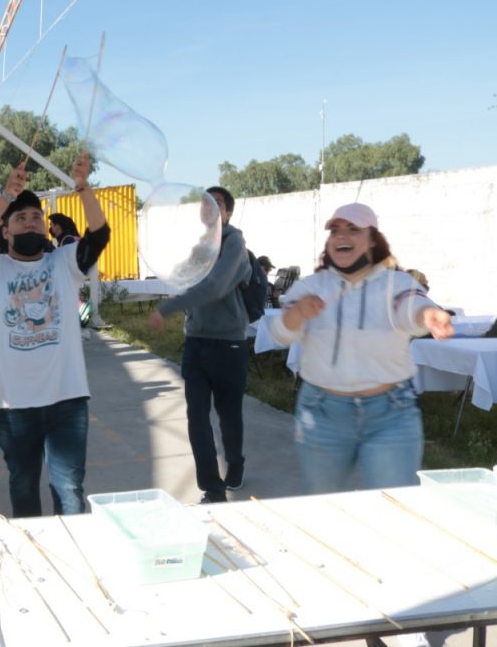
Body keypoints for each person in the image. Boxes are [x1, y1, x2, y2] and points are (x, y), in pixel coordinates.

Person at [0, 153, 109, 517]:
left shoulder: (65, 262)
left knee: (70, 490)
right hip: (12, 406)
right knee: (23, 487)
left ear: (45, 227)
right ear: (5, 230)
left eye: (36, 217)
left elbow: (100, 233)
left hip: (67, 399)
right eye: (20, 218)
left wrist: (84, 188)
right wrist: (6, 197)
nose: (30, 223)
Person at [269, 203, 453, 495]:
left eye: (353, 229)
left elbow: (410, 305)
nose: (342, 235)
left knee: (397, 505)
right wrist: (298, 313)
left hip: (392, 413)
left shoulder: (396, 282)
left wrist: (428, 315)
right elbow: (280, 334)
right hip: (321, 413)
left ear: (372, 240)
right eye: (335, 230)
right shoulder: (311, 286)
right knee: (323, 505)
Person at [149, 186, 251, 504]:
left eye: (217, 203)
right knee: (196, 416)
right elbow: (182, 276)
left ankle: (235, 464)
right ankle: (212, 488)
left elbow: (215, 286)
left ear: (228, 212)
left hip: (229, 345)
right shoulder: (201, 247)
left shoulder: (234, 244)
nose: (209, 208)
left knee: (229, 415)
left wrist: (166, 308)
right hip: (196, 342)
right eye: (205, 203)